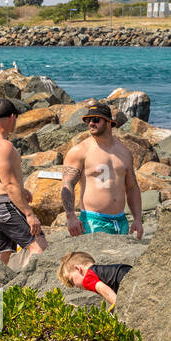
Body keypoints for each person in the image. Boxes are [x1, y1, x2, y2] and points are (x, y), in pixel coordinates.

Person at [0, 98, 47, 266]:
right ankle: (27, 288)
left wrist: (20, 190)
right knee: (40, 248)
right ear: (12, 117)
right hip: (5, 205)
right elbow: (9, 186)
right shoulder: (3, 146)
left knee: (0, 260)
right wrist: (29, 215)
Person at [62, 102, 143, 239]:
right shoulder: (80, 151)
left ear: (109, 122)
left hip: (121, 222)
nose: (91, 124)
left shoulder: (124, 152)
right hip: (93, 221)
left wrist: (137, 219)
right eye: (88, 120)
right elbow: (67, 184)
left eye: (95, 120)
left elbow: (131, 187)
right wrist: (70, 216)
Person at [58, 251, 132, 308]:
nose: (75, 286)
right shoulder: (102, 270)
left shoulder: (88, 278)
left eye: (72, 281)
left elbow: (105, 290)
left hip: (127, 282)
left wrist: (119, 308)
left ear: (78, 269)